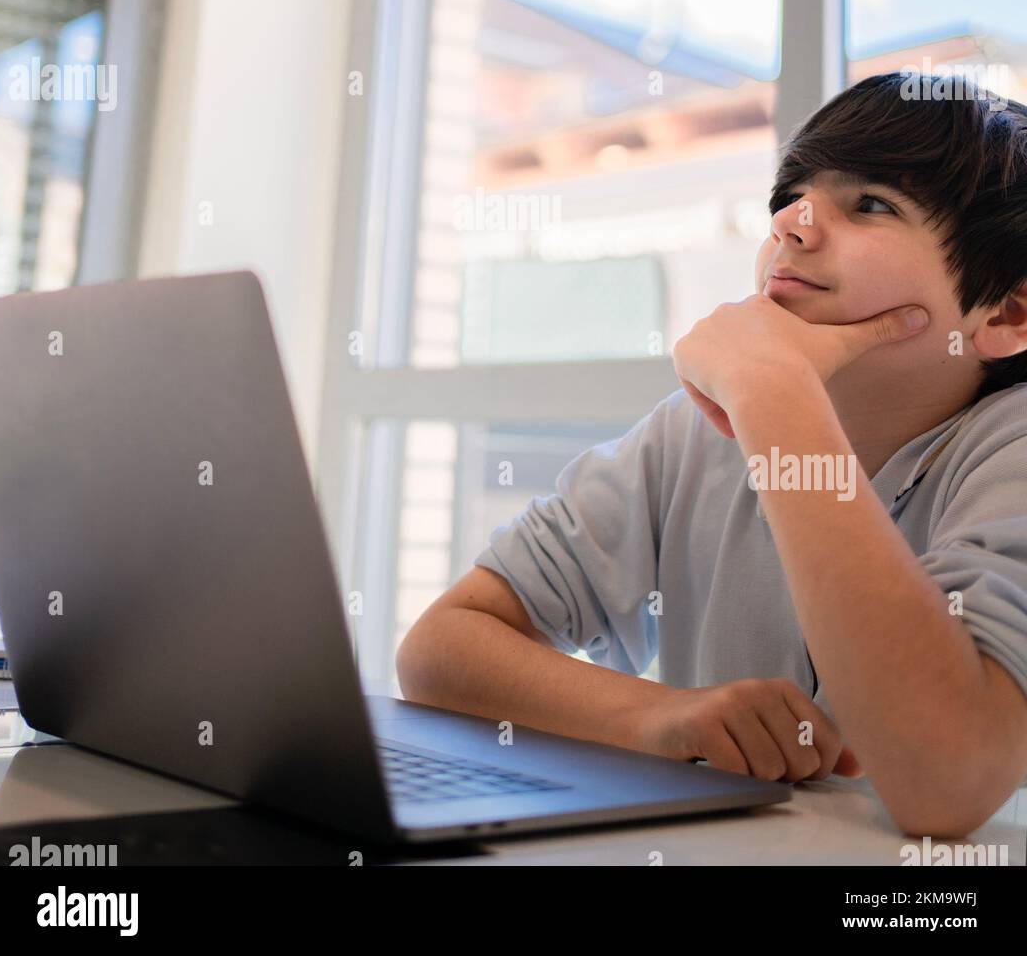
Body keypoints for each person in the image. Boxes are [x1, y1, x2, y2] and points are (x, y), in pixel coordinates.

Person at [396, 71, 1027, 837]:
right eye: (790, 197)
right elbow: (439, 650)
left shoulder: (1006, 450)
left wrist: (775, 391)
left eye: (871, 205)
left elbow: (946, 781)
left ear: (1008, 312)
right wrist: (662, 717)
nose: (792, 224)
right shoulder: (696, 435)